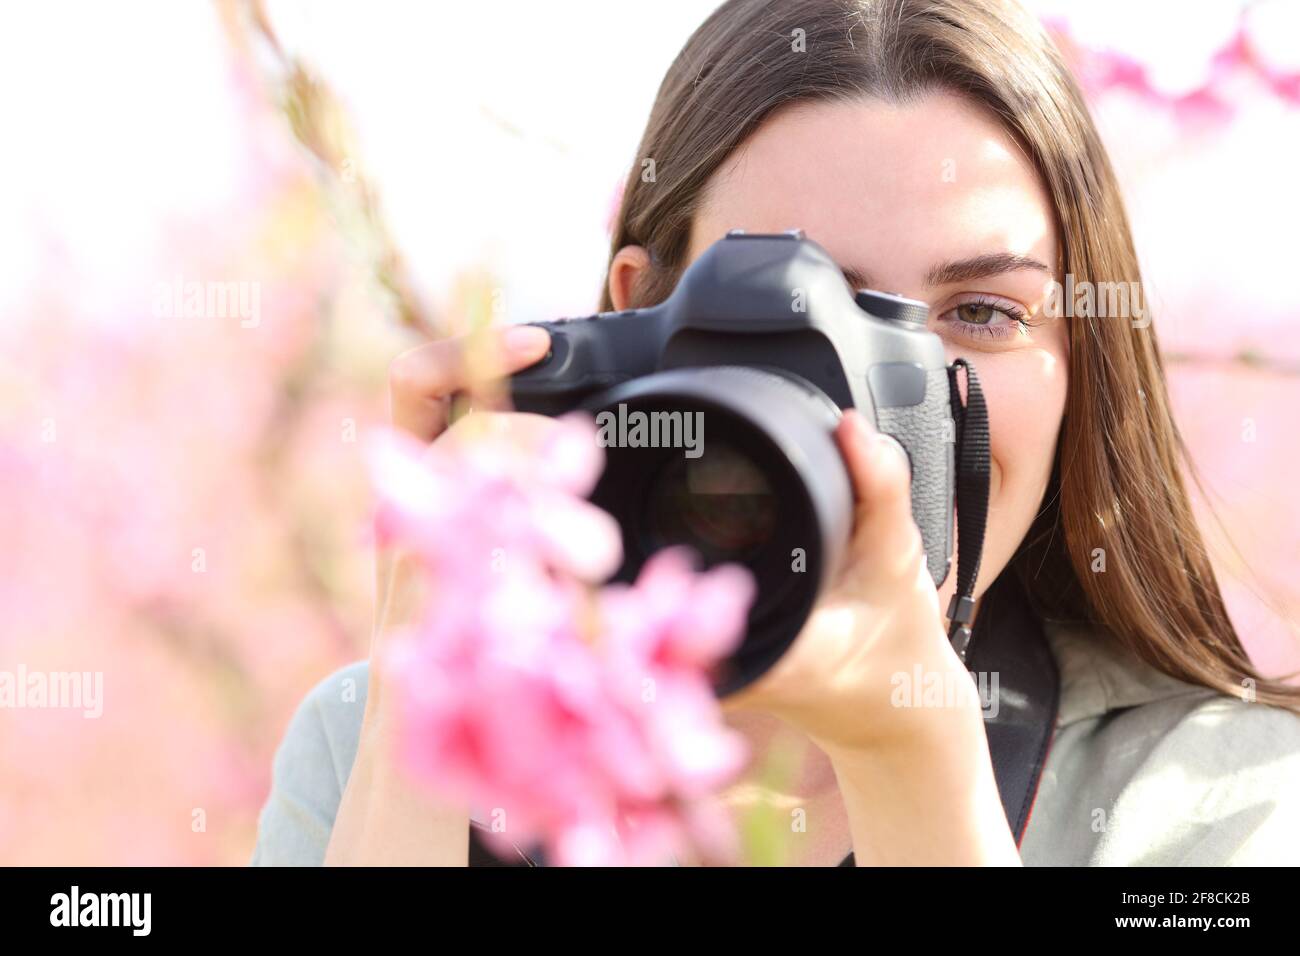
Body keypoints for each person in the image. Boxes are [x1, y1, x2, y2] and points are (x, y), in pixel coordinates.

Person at [251, 0, 1300, 866]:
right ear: (640, 324)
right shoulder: (371, 738)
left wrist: (911, 755)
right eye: (804, 311)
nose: (887, 399)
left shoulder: (1214, 799)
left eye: (982, 312)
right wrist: (422, 733)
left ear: (1081, 363)